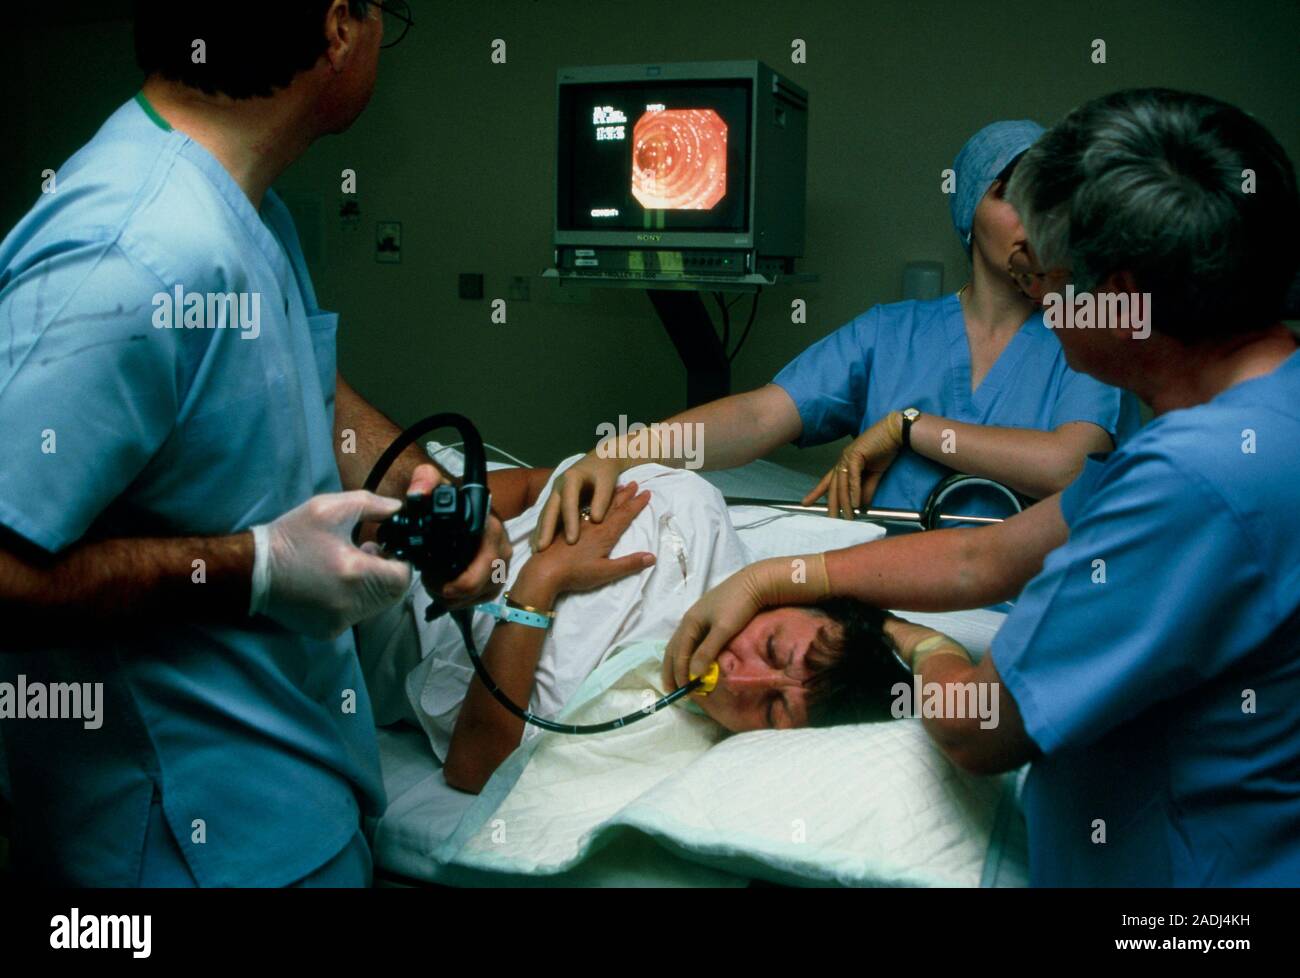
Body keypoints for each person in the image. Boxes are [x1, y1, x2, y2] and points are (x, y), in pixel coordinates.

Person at [661, 88, 1300, 886]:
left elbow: (977, 726)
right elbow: (985, 558)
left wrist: (916, 644)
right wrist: (774, 575)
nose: (1044, 297)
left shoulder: (1193, 481)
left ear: (1125, 295)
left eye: (1055, 278)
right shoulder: (1252, 416)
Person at [0, 2, 507, 886]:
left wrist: (426, 485)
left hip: (297, 801)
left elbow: (316, 394)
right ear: (340, 28)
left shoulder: (247, 212)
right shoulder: (137, 249)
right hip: (183, 844)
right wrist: (256, 566)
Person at [533, 120, 1141, 548]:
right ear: (967, 215)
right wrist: (619, 451)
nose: (1037, 218)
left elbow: (1070, 466)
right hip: (883, 588)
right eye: (1014, 196)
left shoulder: (1083, 338)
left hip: (1017, 603)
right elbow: (755, 419)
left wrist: (911, 428)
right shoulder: (892, 333)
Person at [357, 460, 905, 793]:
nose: (740, 679)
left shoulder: (640, 733)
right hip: (385, 511)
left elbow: (473, 769)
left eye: (772, 710)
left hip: (348, 636)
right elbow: (530, 488)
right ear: (792, 597)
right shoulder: (690, 507)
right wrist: (425, 518)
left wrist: (541, 583)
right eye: (772, 648)